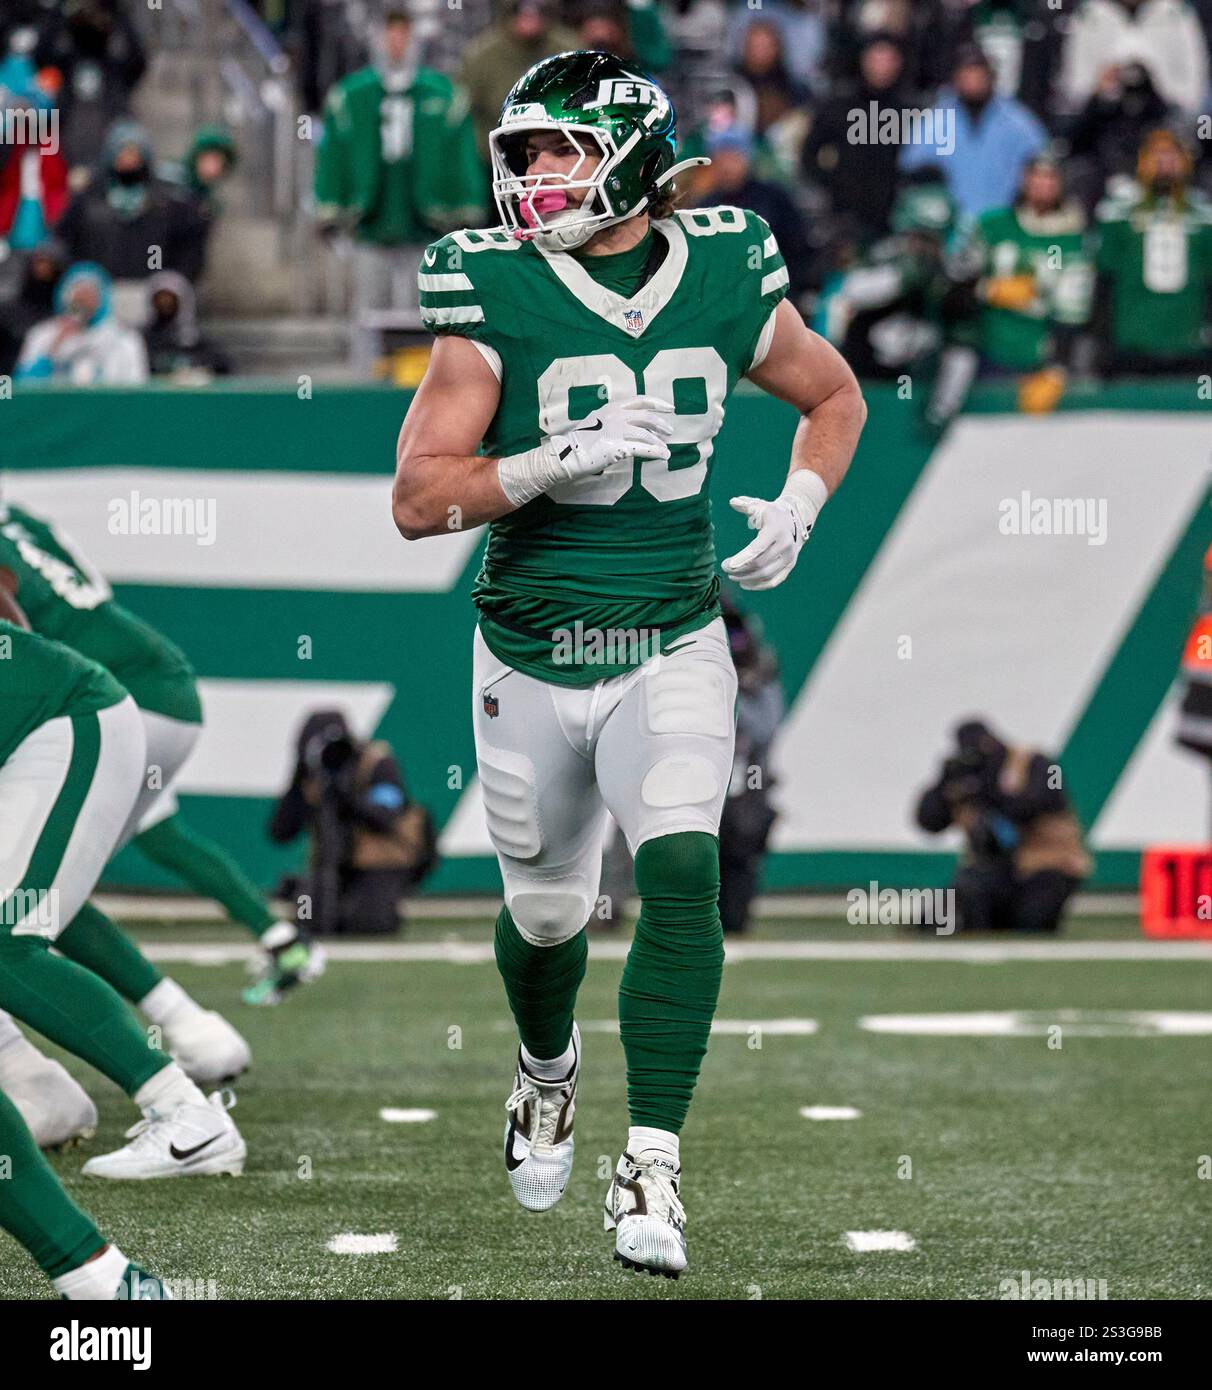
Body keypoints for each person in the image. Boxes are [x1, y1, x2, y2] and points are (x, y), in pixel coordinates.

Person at [396, 50, 865, 1277]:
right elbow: (415, 500)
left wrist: (803, 504)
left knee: (684, 870)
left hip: (670, 632)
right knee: (547, 914)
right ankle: (546, 1072)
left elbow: (834, 395)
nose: (537, 179)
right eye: (525, 157)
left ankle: (650, 1156)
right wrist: (553, 457)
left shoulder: (724, 262)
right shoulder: (488, 284)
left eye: (561, 152)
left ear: (637, 161)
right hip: (532, 651)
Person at [0, 497, 320, 1013]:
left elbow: (20, 639)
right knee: (157, 833)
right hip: (160, 683)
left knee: (32, 885)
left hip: (107, 697)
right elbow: (90, 589)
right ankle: (280, 941)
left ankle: (169, 1033)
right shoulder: (24, 521)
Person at [0, 593, 246, 1181]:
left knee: (9, 937)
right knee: (19, 917)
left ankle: (187, 1113)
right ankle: (37, 1091)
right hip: (52, 708)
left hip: (66, 718)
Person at [314, 9, 485, 375]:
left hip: (425, 225)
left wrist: (465, 206)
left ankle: (422, 388)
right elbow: (333, 155)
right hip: (371, 223)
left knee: (426, 312)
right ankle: (364, 386)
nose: (397, 43)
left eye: (404, 34)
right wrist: (330, 207)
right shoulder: (350, 96)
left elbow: (461, 156)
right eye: (390, 34)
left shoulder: (444, 96)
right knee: (366, 313)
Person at [268, 710, 437, 939]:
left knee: (368, 924)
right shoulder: (311, 776)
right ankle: (301, 889)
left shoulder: (377, 763)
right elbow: (280, 832)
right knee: (309, 918)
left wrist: (347, 797)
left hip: (377, 863)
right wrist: (300, 782)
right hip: (328, 864)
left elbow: (387, 816)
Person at [914, 719, 1091, 933]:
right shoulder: (968, 777)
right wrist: (943, 786)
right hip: (992, 871)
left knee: (1032, 921)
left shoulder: (1040, 764)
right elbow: (929, 822)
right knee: (940, 917)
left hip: (1047, 864)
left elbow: (1042, 800)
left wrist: (987, 789)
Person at [1092, 129, 1212, 375]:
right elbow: (1103, 281)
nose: (1164, 163)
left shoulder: (1204, 215)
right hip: (1131, 345)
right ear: (1142, 161)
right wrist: (1102, 342)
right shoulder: (1117, 213)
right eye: (1157, 155)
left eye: (1171, 155)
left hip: (1190, 346)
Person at [964, 155, 1092, 380]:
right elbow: (955, 282)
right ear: (1023, 180)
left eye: (1050, 177)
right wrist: (989, 290)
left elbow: (1072, 311)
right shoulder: (993, 226)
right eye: (1036, 176)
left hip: (1036, 357)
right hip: (983, 349)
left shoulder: (1070, 240)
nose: (1042, 184)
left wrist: (1056, 369)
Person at [900, 43, 1048, 223]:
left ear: (991, 77)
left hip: (1004, 225)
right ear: (955, 78)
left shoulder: (1018, 122)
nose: (973, 81)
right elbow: (912, 167)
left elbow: (1043, 163)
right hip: (949, 228)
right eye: (966, 74)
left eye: (978, 74)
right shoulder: (936, 120)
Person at [56, 118, 206, 287]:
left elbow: (184, 248)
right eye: (122, 152)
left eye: (134, 153)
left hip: (149, 288)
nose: (128, 159)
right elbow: (65, 240)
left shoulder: (165, 203)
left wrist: (168, 283)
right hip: (97, 287)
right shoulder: (89, 197)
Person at [718, 592, 784, 935]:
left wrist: (742, 688)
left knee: (741, 854)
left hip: (745, 784)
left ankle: (735, 917)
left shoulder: (758, 667)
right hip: (705, 777)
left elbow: (765, 728)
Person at [689, 126, 812, 303]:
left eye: (733, 157)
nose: (726, 166)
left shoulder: (773, 197)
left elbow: (797, 247)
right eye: (720, 158)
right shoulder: (705, 206)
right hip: (723, 300)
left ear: (747, 158)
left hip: (775, 294)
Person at [459, 0, 579, 166]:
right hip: (493, 159)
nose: (529, 16)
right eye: (520, 9)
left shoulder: (571, 51)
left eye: (538, 10)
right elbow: (461, 115)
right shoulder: (481, 55)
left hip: (563, 152)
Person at [1061, 0, 1209, 118]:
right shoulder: (1090, 13)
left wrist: (1154, 81)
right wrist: (1099, 87)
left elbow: (1195, 86)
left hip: (1168, 115)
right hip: (1103, 117)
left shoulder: (1176, 12)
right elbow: (1074, 87)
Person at [14, 261, 148, 384]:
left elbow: (137, 385)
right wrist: (54, 348)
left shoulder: (124, 338)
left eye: (89, 295)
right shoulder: (42, 334)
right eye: (78, 295)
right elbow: (23, 383)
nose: (83, 301)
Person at [142, 270, 232, 378]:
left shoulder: (198, 342)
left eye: (170, 298)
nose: (165, 303)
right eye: (160, 297)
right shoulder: (143, 340)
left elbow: (223, 368)